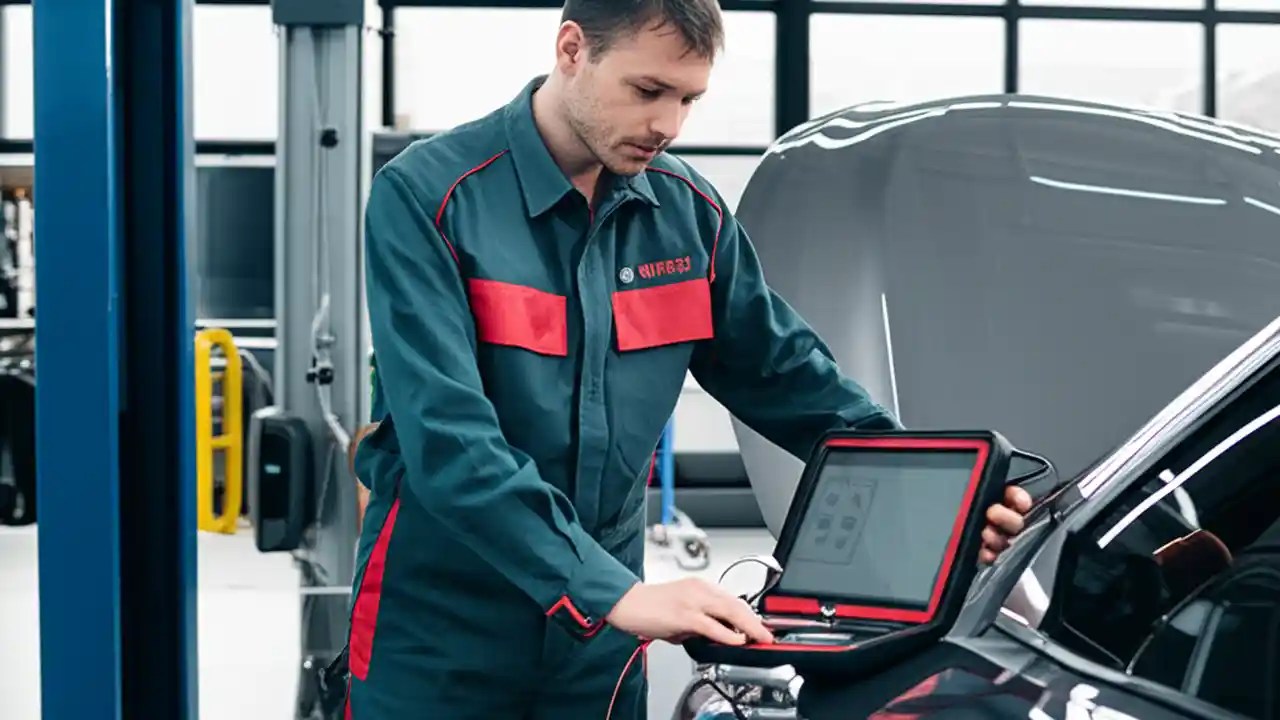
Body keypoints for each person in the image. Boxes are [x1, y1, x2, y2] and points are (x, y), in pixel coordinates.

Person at [345, 1, 1033, 717]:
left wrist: (943, 500)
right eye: (648, 91)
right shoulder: (429, 198)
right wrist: (615, 593)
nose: (669, 126)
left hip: (599, 657)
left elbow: (793, 381)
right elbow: (450, 442)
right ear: (573, 49)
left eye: (689, 99)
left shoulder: (688, 216)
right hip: (439, 636)